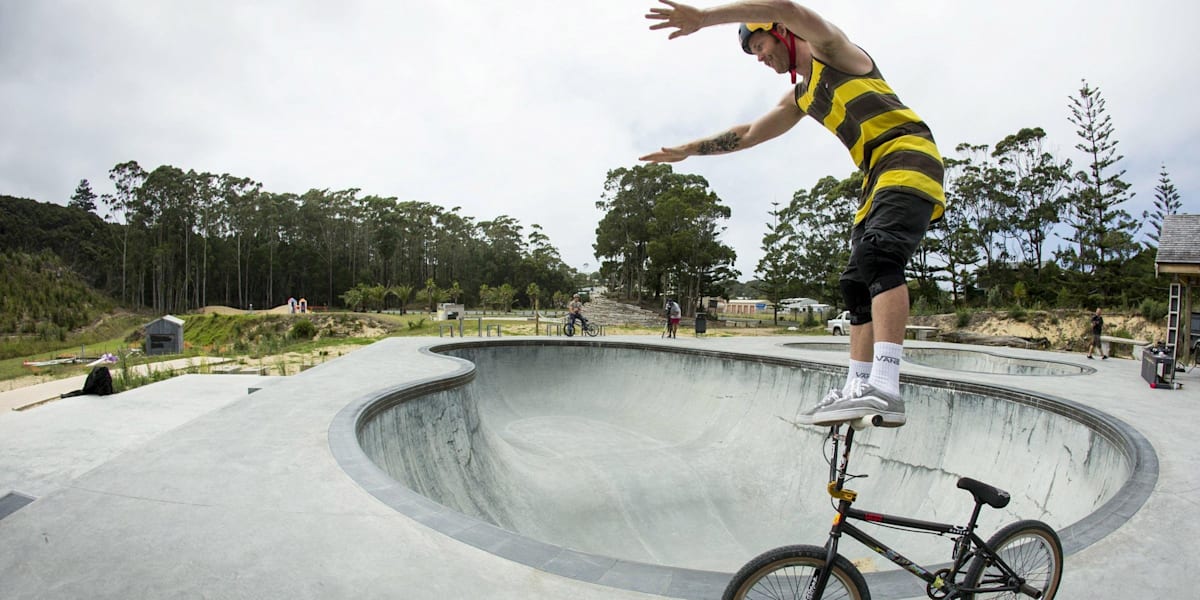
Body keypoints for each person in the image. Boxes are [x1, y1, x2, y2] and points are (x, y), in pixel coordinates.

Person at [642, 0, 945, 428]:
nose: (761, 58)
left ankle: (886, 385)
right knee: (856, 283)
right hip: (875, 175)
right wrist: (691, 149)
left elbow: (783, 4)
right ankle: (859, 386)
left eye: (762, 46)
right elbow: (749, 133)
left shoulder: (833, 50)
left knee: (879, 256)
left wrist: (705, 19)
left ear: (781, 30)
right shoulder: (803, 94)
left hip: (907, 154)